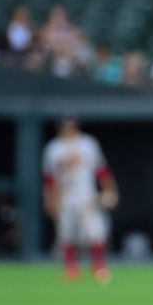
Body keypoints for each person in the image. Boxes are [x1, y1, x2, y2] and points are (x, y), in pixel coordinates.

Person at [42, 115, 118, 283]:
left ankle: (98, 267)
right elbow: (49, 179)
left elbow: (101, 170)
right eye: (65, 124)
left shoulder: (88, 144)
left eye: (71, 124)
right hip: (65, 195)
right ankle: (71, 268)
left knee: (95, 231)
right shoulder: (53, 148)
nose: (68, 127)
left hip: (86, 193)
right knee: (65, 233)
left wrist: (110, 189)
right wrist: (49, 199)